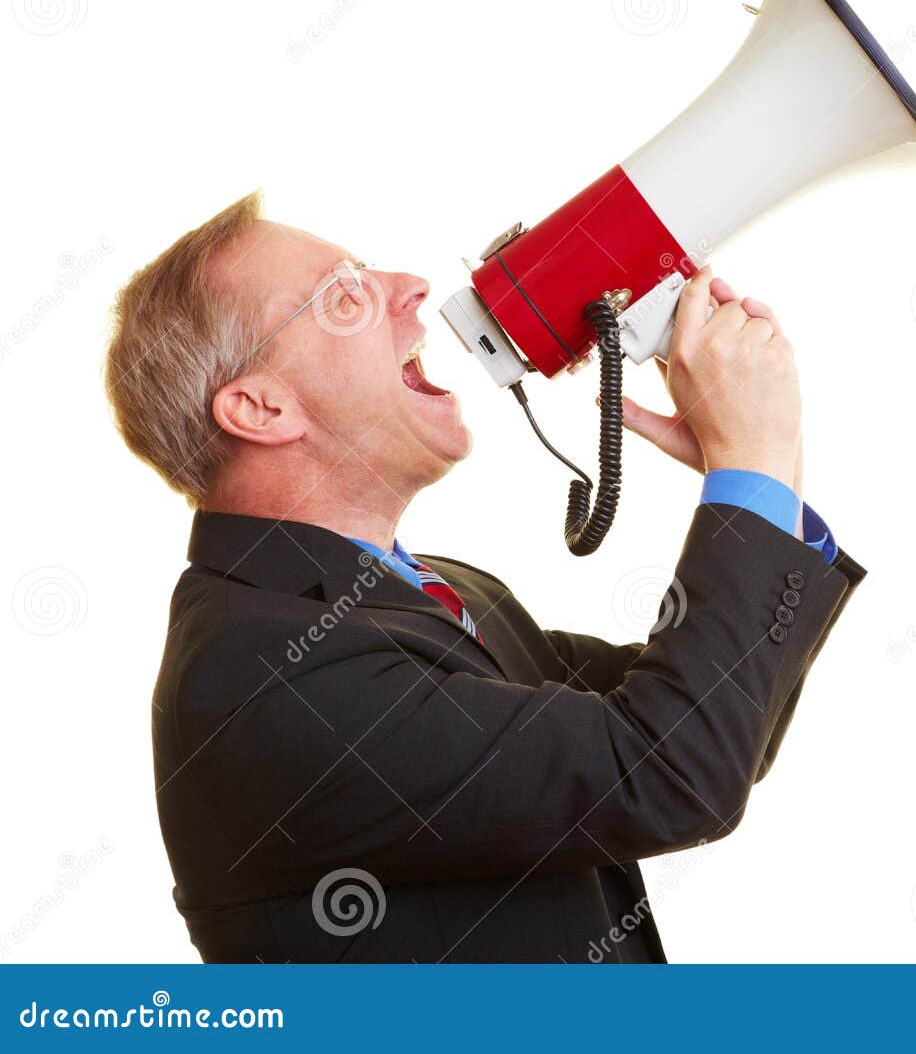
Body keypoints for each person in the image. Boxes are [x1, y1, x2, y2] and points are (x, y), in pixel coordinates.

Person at [104, 193, 864, 962]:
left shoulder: (444, 590)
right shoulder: (262, 672)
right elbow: (672, 769)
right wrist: (748, 468)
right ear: (261, 408)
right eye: (343, 292)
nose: (411, 286)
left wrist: (768, 472)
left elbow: (719, 719)